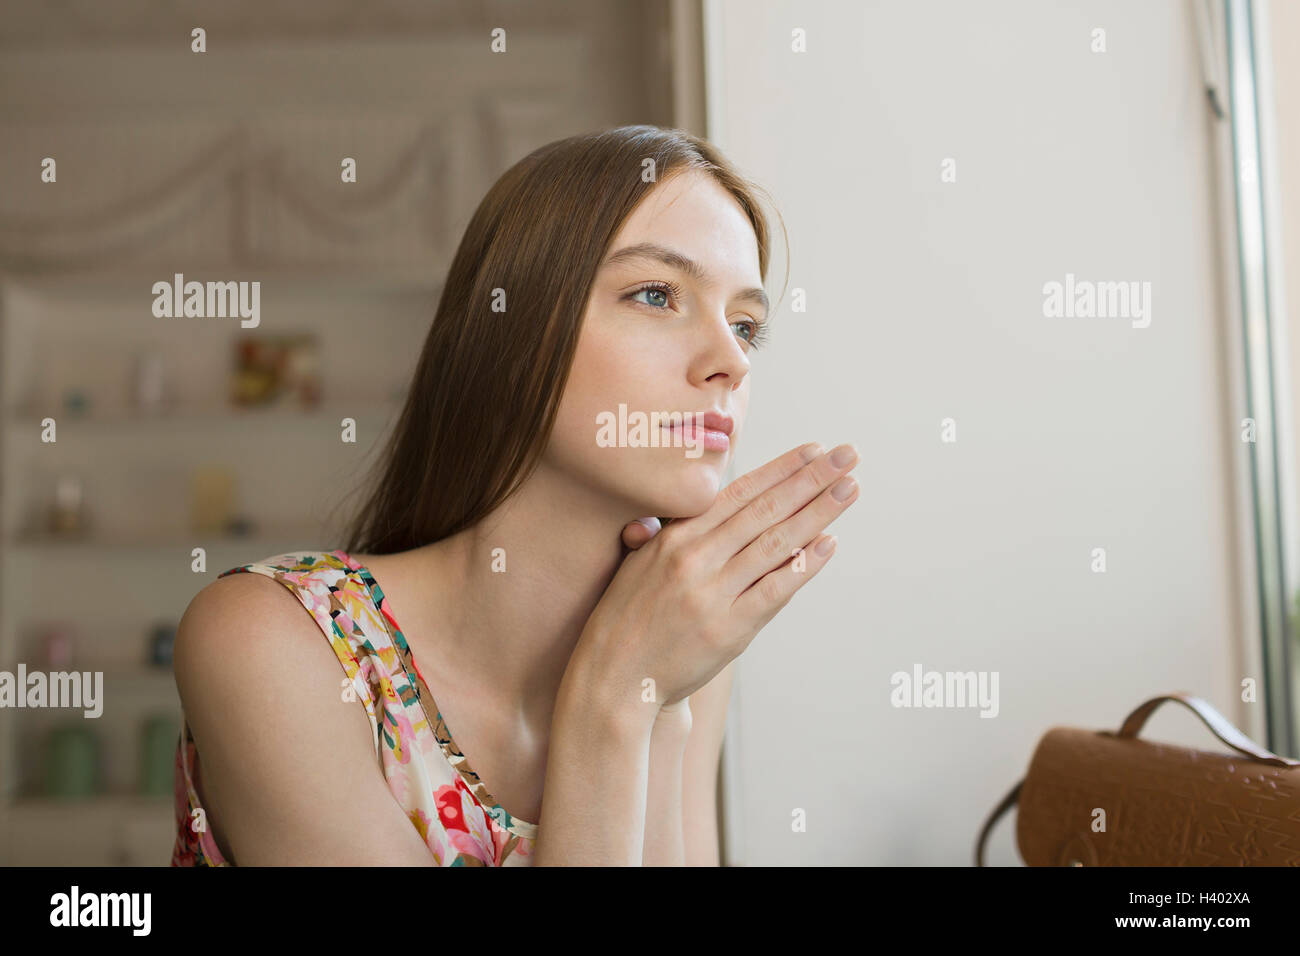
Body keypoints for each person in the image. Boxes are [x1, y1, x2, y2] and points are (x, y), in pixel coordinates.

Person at [170, 125, 860, 867]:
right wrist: (613, 702)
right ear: (513, 333)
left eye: (746, 326)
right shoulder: (273, 641)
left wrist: (654, 701)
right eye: (657, 294)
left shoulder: (685, 640)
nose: (731, 360)